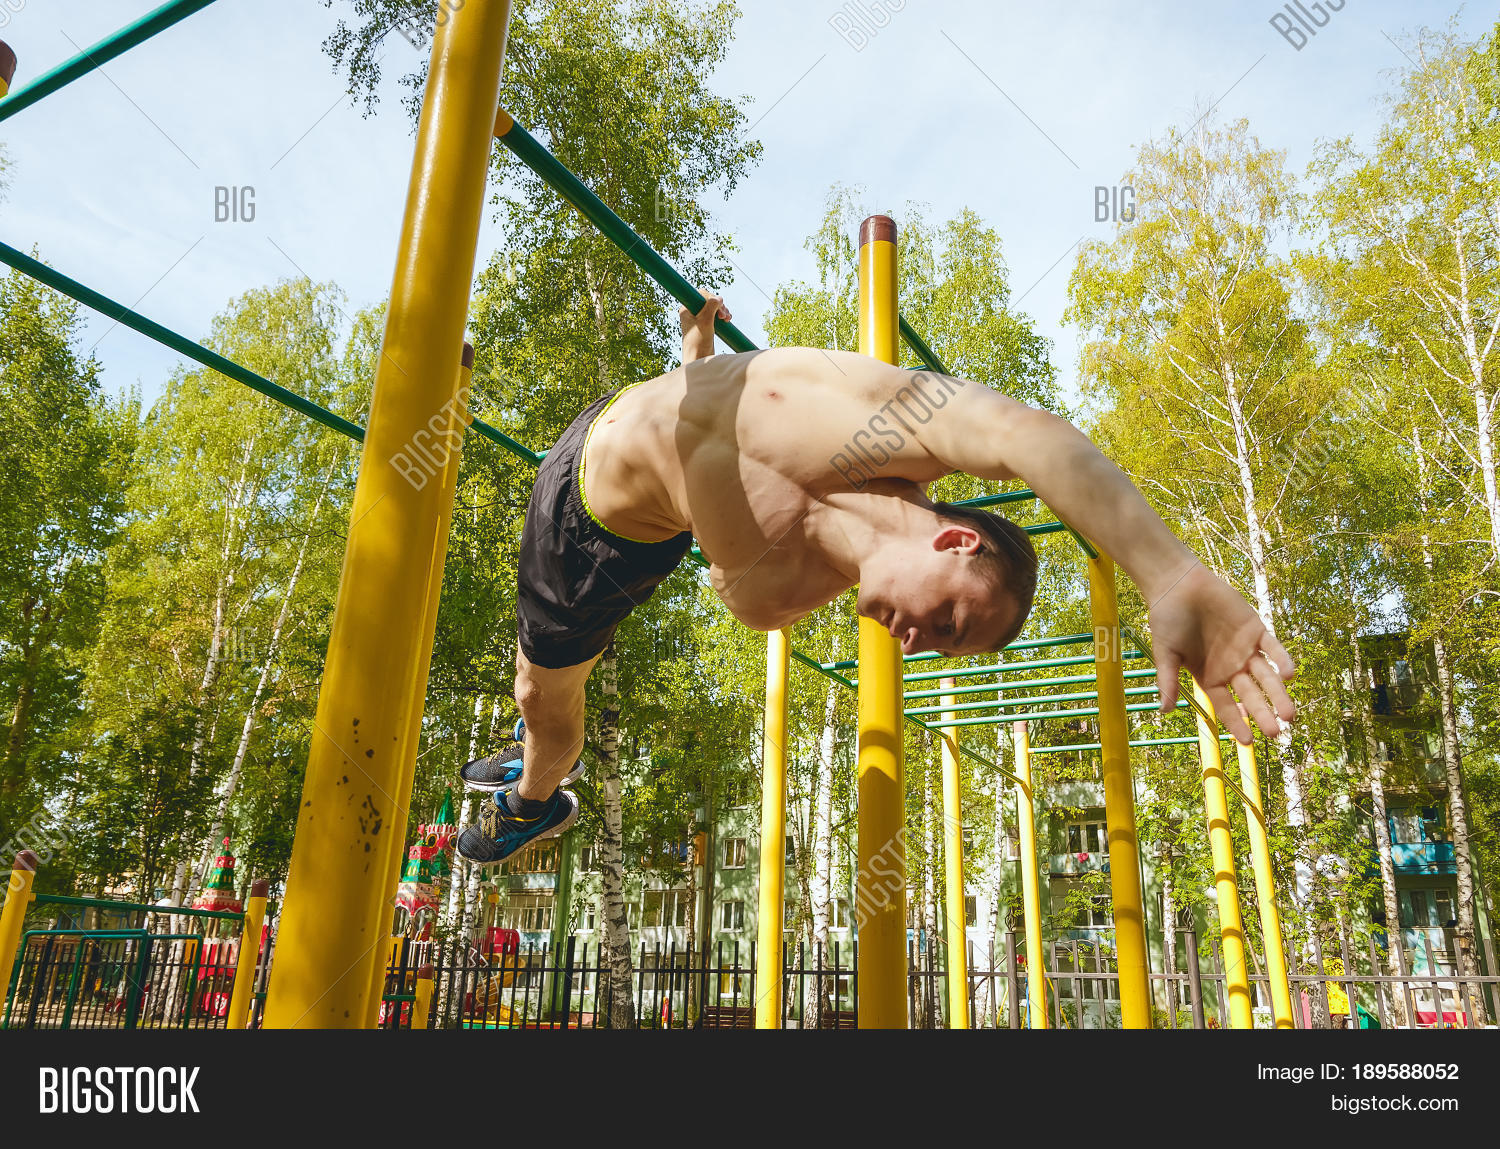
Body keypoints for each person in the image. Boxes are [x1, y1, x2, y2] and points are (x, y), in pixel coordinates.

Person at [454, 291, 1296, 863]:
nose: (917, 642)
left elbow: (710, 478)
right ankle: (534, 764)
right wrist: (1169, 572)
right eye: (951, 625)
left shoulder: (775, 598)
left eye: (938, 647)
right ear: (958, 541)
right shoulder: (877, 425)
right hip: (598, 419)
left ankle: (536, 795)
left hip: (596, 536)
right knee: (540, 700)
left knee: (543, 703)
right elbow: (1029, 435)